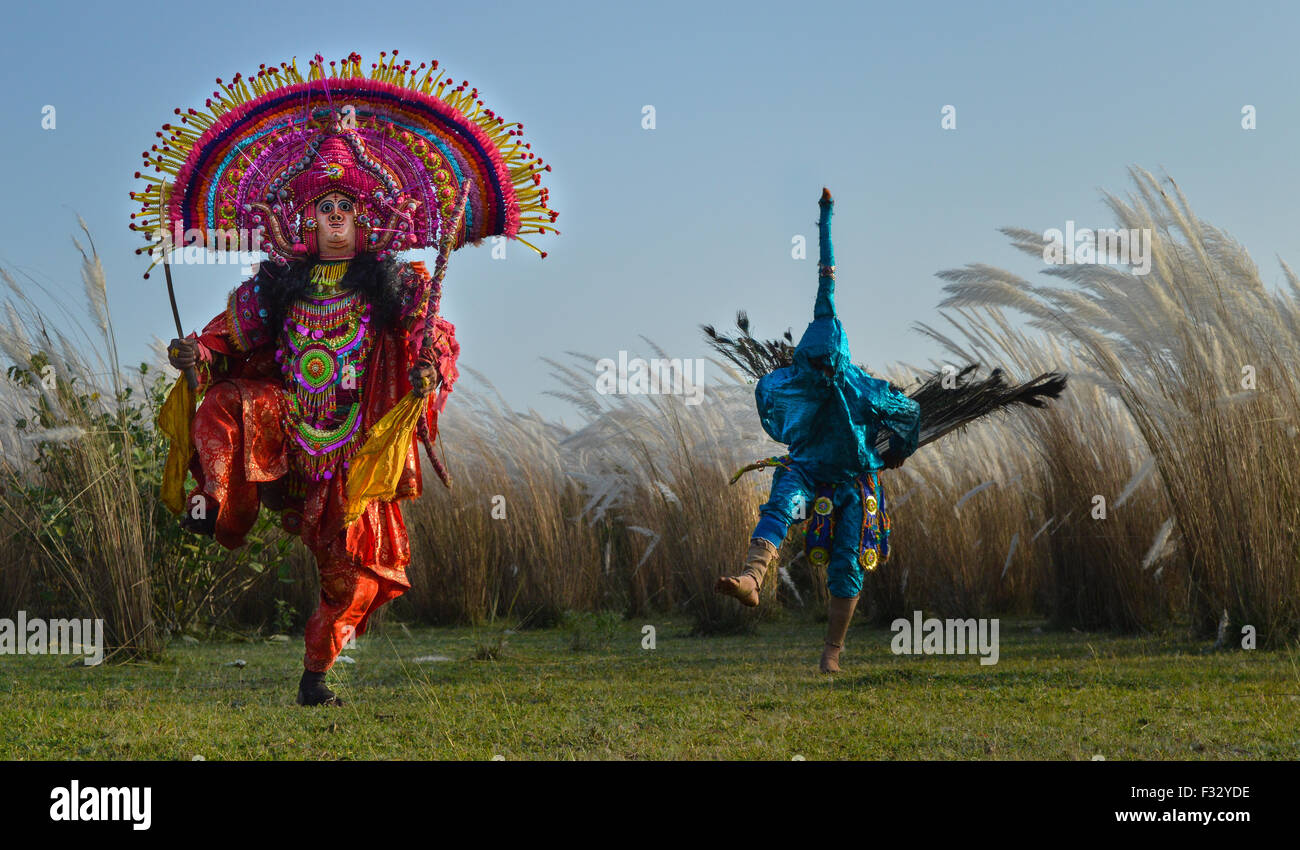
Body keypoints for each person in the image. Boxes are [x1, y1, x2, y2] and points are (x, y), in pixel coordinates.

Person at [139, 53, 558, 705]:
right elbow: (225, 341)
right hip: (285, 431)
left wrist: (429, 369)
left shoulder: (400, 287)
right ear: (306, 218)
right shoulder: (275, 287)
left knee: (356, 578)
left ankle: (315, 676)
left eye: (346, 206)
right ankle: (214, 506)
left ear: (366, 219)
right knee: (225, 403)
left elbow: (434, 342)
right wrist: (197, 357)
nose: (334, 215)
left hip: (352, 454)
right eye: (325, 205)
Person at [716, 188, 920, 674]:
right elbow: (826, 273)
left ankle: (832, 653)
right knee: (781, 505)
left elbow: (908, 414)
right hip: (806, 469)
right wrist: (825, 216)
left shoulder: (868, 390)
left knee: (848, 564)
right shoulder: (803, 369)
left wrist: (886, 448)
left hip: (852, 479)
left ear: (838, 362)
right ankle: (751, 578)